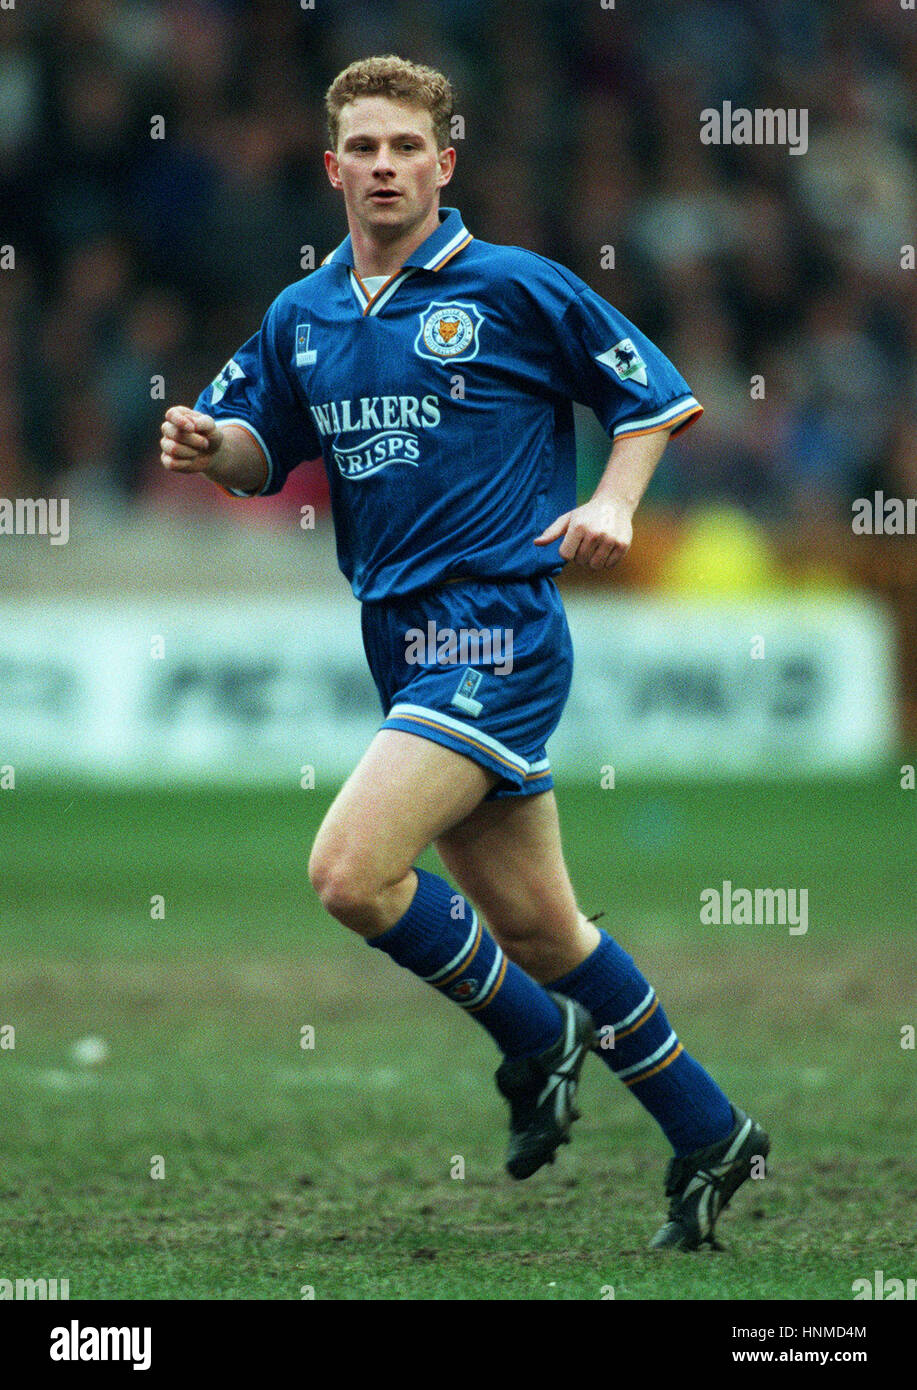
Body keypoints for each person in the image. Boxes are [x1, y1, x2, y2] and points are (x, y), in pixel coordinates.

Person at [160, 54, 769, 1250]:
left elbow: (649, 398)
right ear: (331, 167)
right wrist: (207, 440)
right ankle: (710, 1130)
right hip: (397, 640)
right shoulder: (306, 312)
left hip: (492, 628)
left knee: (348, 872)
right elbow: (253, 455)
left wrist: (615, 504)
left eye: (406, 148)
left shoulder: (513, 285)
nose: (384, 167)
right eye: (363, 150)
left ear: (445, 162)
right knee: (546, 934)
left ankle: (534, 1038)